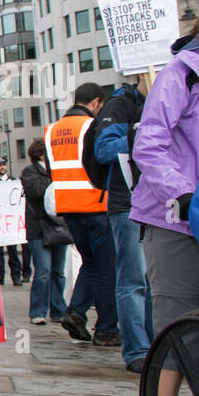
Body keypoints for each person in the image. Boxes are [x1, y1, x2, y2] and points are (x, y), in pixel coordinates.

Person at [132, 0, 199, 396]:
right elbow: (149, 145)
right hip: (175, 217)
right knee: (179, 325)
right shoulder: (184, 73)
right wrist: (186, 194)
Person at [47, 83, 120, 347]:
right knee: (107, 269)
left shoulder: (52, 130)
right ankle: (107, 329)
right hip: (96, 203)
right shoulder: (92, 127)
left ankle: (76, 312)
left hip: (68, 206)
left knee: (90, 264)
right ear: (96, 102)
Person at [93, 78, 153, 372]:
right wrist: (137, 134)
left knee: (154, 283)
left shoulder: (161, 100)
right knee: (133, 281)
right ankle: (138, 351)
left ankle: (156, 346)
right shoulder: (120, 106)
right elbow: (103, 150)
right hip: (127, 203)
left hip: (157, 203)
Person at [20, 138, 70, 326]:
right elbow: (38, 191)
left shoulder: (56, 171)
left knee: (58, 271)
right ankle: (38, 311)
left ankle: (58, 310)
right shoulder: (30, 172)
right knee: (43, 271)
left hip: (58, 227)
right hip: (39, 230)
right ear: (42, 154)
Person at [0, 156, 24, 286]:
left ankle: (16, 276)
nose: (2, 167)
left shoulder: (14, 181)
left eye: (4, 164)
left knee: (13, 252)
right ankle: (0, 277)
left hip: (11, 223)